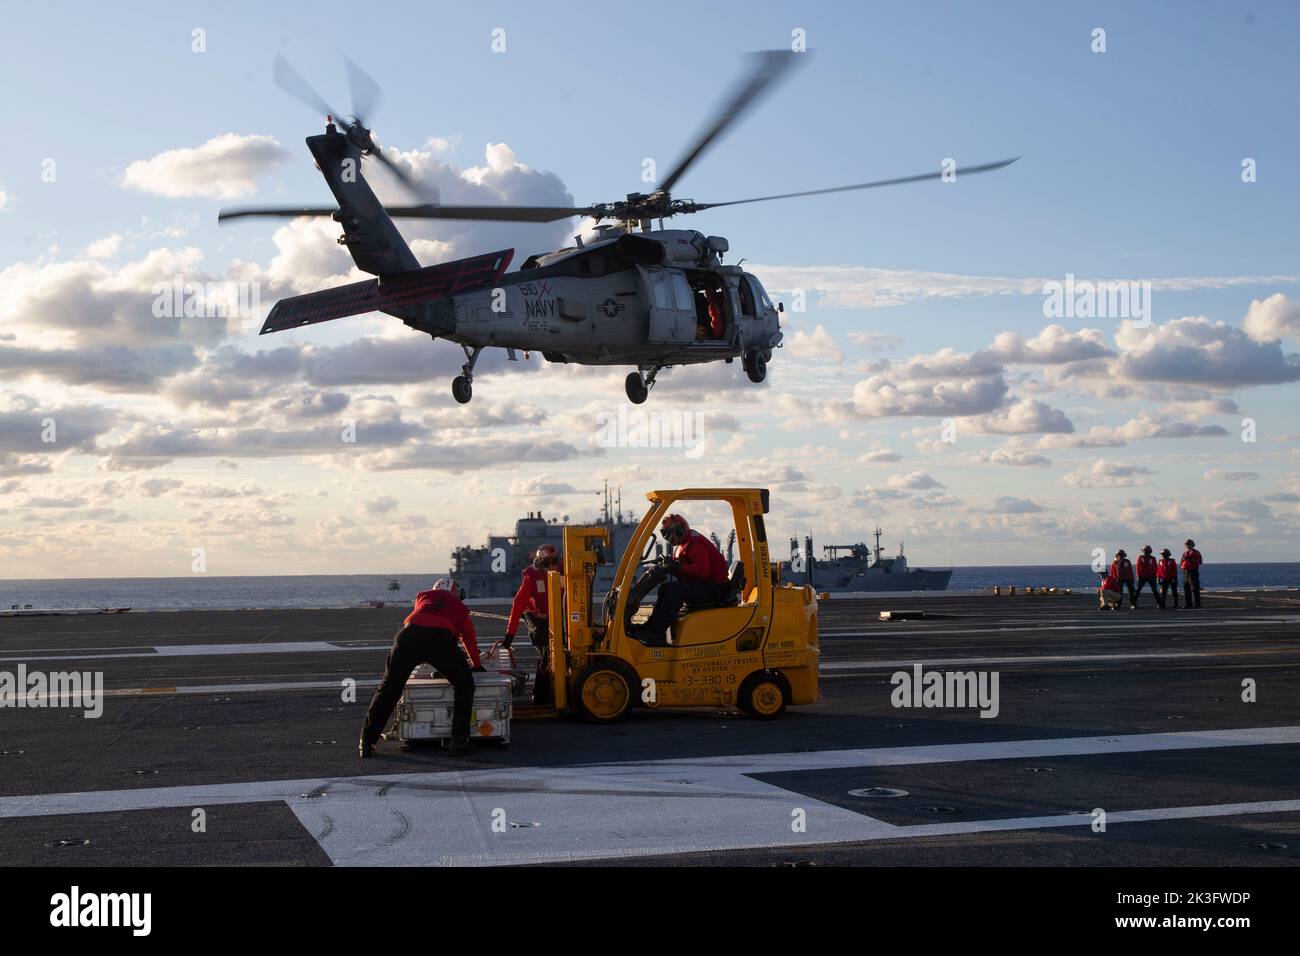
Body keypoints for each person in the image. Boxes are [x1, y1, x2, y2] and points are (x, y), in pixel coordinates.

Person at [359, 578, 483, 758]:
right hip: (440, 640)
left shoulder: (423, 598)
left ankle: (367, 741)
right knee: (464, 685)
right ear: (457, 593)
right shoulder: (458, 606)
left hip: (407, 636)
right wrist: (476, 665)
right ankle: (458, 741)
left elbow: (421, 622)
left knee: (389, 688)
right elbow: (468, 638)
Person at [627, 514, 731, 645]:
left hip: (715, 588)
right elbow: (686, 571)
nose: (669, 539)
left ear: (679, 529)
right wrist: (672, 567)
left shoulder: (695, 544)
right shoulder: (682, 545)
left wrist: (678, 567)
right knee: (666, 588)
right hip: (706, 585)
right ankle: (651, 627)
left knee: (674, 590)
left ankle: (656, 633)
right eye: (666, 536)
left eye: (670, 534)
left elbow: (702, 571)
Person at [503, 544, 559, 704]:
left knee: (562, 650)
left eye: (554, 562)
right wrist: (510, 635)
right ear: (540, 563)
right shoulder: (531, 578)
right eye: (547, 563)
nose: (552, 566)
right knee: (546, 650)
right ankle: (540, 695)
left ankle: (555, 689)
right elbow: (518, 605)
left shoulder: (562, 571)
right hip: (534, 616)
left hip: (553, 615)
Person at [1181, 538, 1204, 608]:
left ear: (1192, 545)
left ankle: (1197, 604)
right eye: (1186, 545)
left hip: (1193, 571)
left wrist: (1190, 560)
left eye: (1188, 545)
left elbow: (1200, 561)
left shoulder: (1196, 552)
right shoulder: (1185, 553)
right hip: (1186, 572)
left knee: (1194, 588)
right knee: (1186, 588)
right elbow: (1182, 560)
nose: (1187, 546)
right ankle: (1188, 604)